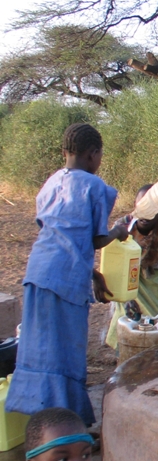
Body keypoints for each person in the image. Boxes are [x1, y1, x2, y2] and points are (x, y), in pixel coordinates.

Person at [6, 123, 127, 426]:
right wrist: (118, 231)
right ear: (93, 154)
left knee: (39, 347)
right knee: (65, 350)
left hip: (38, 272)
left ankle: (42, 421)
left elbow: (53, 231)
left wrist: (94, 274)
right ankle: (67, 423)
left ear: (64, 152)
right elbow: (97, 239)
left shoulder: (50, 183)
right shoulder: (94, 186)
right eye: (99, 156)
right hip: (65, 281)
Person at [105, 183, 158, 349]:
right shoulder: (123, 226)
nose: (144, 213)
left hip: (154, 274)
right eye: (141, 207)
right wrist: (126, 300)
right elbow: (116, 267)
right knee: (128, 319)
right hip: (127, 277)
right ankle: (125, 354)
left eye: (151, 209)